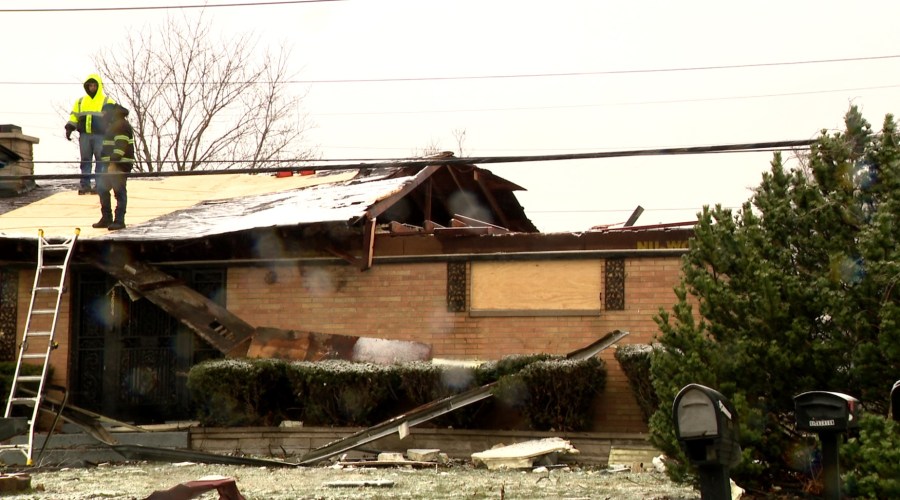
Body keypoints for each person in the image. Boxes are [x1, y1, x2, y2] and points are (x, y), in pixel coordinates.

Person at [65, 74, 115, 195]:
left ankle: (99, 186)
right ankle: (85, 185)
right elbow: (74, 117)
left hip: (101, 136)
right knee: (85, 160)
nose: (92, 87)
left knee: (101, 160)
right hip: (85, 136)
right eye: (90, 85)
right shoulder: (80, 101)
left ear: (99, 86)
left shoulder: (107, 101)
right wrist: (69, 128)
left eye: (94, 85)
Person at [92, 103, 134, 231]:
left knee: (119, 192)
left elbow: (120, 146)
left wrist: (113, 163)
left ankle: (119, 220)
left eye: (104, 113)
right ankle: (107, 218)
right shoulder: (113, 125)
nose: (102, 116)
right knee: (102, 188)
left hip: (119, 165)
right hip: (110, 164)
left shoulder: (121, 125)